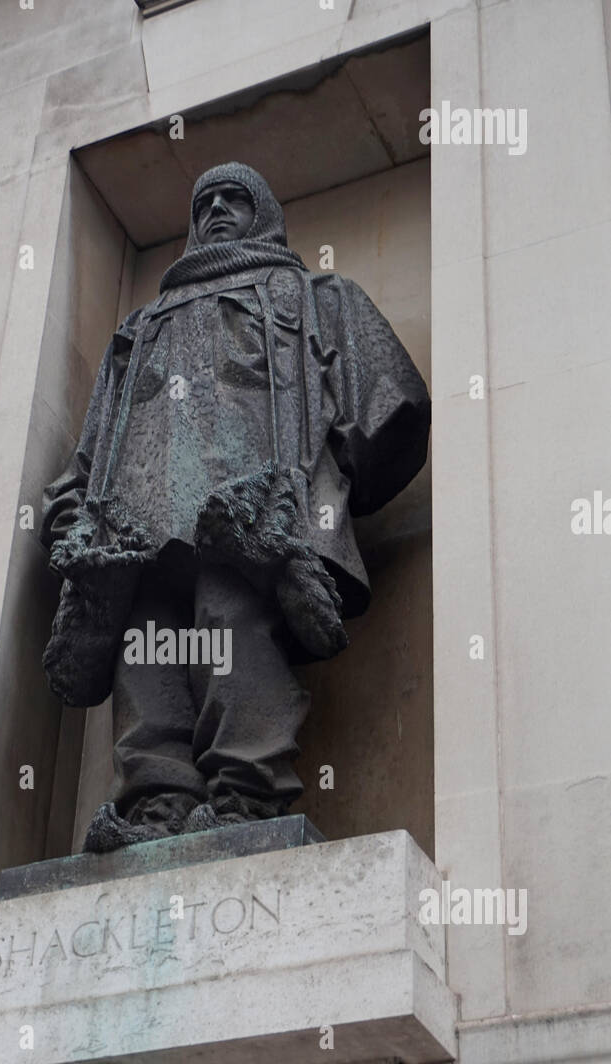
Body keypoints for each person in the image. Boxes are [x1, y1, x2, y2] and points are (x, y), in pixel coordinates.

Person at [40, 163, 430, 851]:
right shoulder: (140, 327)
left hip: (249, 522)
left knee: (231, 621)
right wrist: (70, 513)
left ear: (263, 212)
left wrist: (324, 496)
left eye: (235, 197)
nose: (217, 207)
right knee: (146, 642)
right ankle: (156, 803)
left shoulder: (316, 298)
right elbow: (92, 450)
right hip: (138, 525)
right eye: (205, 201)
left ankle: (246, 799)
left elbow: (391, 401)